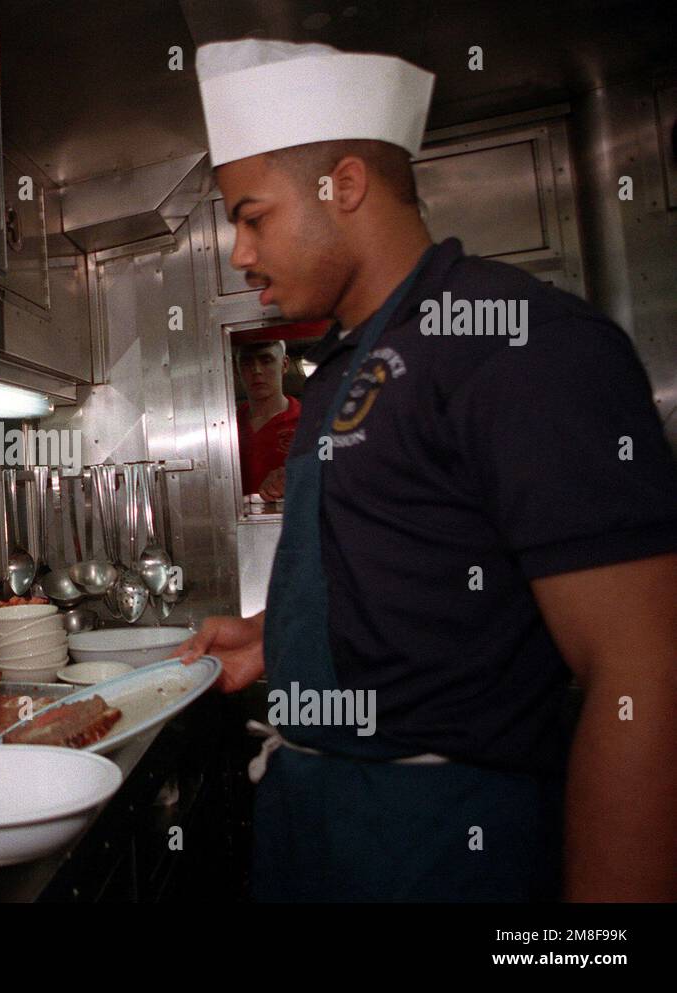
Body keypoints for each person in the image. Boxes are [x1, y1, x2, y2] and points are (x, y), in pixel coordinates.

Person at [180, 38, 677, 901]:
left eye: (252, 216)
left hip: (440, 842)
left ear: (346, 184)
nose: (239, 253)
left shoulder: (518, 341)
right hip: (314, 825)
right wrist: (279, 637)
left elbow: (645, 674)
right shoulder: (342, 366)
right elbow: (415, 563)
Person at [235, 338, 301, 499]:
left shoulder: (312, 422)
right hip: (235, 522)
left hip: (289, 521)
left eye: (266, 360)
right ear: (236, 369)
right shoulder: (224, 427)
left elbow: (332, 470)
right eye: (246, 363)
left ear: (284, 364)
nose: (256, 370)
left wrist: (296, 476)